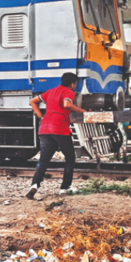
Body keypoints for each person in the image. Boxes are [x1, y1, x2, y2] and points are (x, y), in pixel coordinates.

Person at [26, 72, 87, 200]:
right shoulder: (68, 92)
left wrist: (40, 116)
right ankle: (65, 187)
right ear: (72, 84)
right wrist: (83, 112)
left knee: (43, 159)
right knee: (70, 157)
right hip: (59, 128)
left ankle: (35, 185)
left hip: (44, 129)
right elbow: (67, 104)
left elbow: (33, 101)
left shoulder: (50, 91)